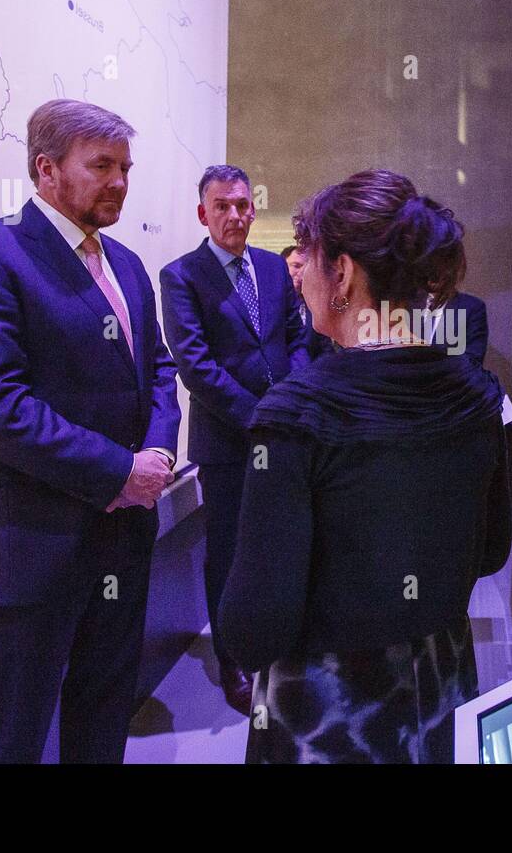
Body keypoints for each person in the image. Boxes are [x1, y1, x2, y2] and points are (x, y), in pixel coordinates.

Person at [218, 169, 512, 763]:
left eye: (309, 256)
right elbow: (491, 553)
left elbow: (254, 629)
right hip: (441, 691)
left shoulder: (296, 415)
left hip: (330, 716)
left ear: (344, 273)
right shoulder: (481, 395)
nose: (298, 275)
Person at [0, 98, 180, 763]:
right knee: (8, 740)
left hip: (123, 540)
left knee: (102, 724)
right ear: (46, 169)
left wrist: (158, 451)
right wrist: (118, 473)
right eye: (101, 165)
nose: (120, 181)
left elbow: (157, 368)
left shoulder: (126, 263)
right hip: (31, 549)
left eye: (125, 167)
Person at [160, 165, 309, 715]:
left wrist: (289, 400)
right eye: (222, 206)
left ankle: (276, 642)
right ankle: (233, 660)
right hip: (227, 443)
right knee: (228, 553)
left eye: (243, 205)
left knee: (281, 543)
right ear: (204, 213)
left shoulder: (272, 268)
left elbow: (295, 336)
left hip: (284, 435)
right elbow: (195, 367)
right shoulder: (181, 276)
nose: (235, 215)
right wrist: (260, 415)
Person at [282, 244, 333, 360]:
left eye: (306, 268)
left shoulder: (314, 307)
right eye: (296, 266)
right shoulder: (268, 305)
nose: (301, 273)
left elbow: (326, 349)